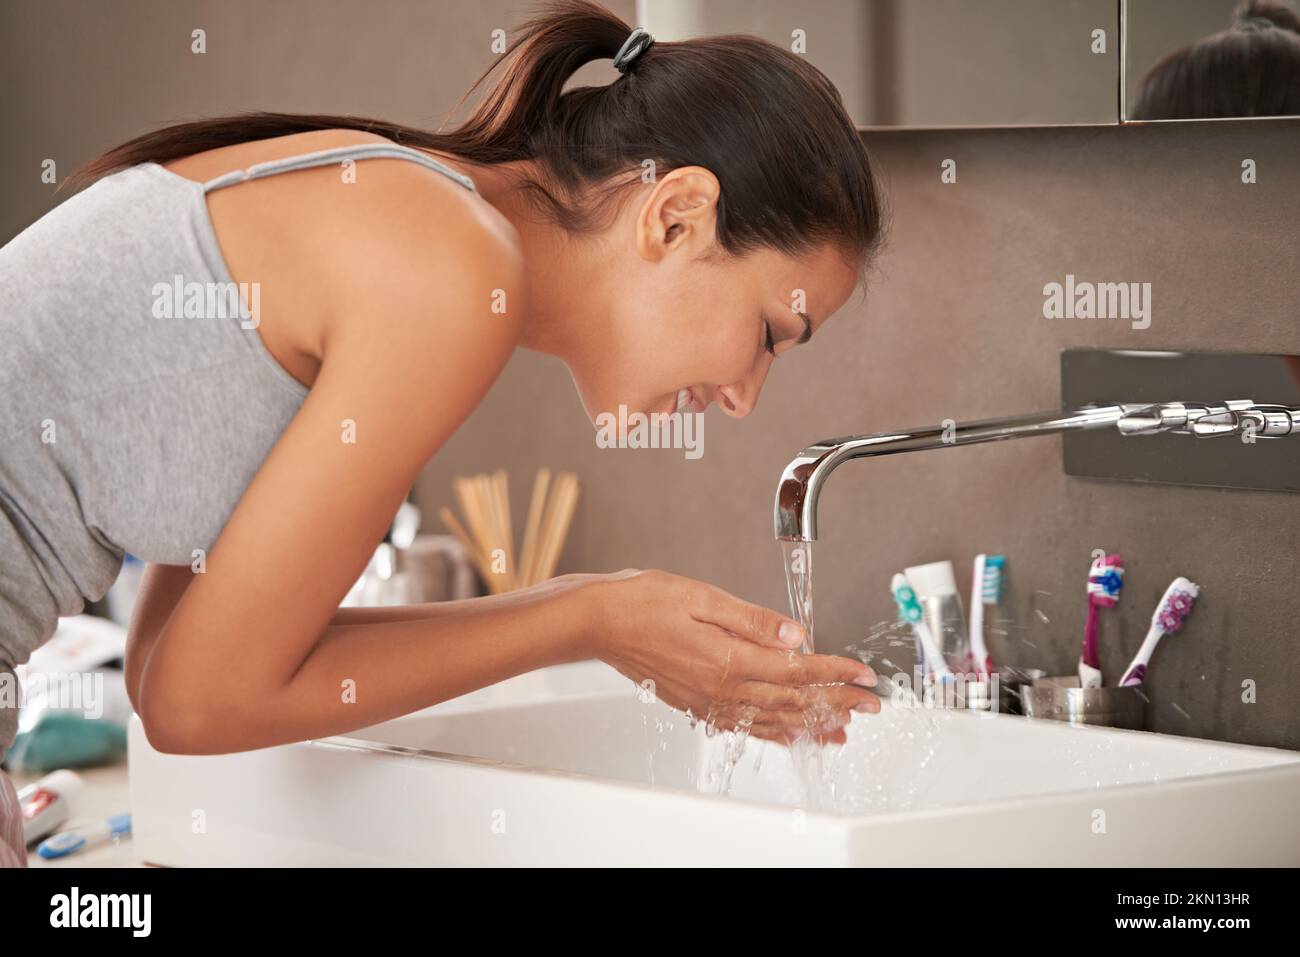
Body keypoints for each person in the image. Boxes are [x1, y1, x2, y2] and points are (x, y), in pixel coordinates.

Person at [0, 2, 886, 861]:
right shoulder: (451, 269)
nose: (744, 398)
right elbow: (202, 704)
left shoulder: (415, 215)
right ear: (675, 215)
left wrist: (602, 611)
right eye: (773, 332)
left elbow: (171, 673)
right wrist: (596, 616)